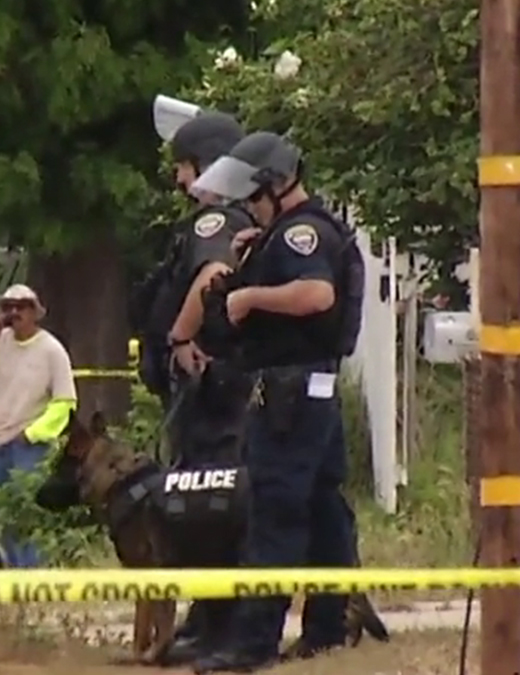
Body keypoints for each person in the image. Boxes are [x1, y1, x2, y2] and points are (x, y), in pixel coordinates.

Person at [186, 131, 365, 673]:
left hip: (288, 394)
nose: (248, 204)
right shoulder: (299, 231)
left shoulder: (301, 234)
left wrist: (248, 297)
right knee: (323, 511)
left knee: (275, 512)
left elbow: (317, 296)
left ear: (277, 184)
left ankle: (254, 643)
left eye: (253, 193)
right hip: (313, 390)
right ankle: (326, 630)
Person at [134, 102, 257, 665]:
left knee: (210, 509)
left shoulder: (217, 222)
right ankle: (208, 617)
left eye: (185, 165)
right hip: (209, 396)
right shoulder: (229, 220)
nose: (180, 178)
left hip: (211, 395)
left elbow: (214, 273)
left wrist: (181, 338)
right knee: (201, 508)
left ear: (207, 164)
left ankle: (220, 624)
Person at [0, 284, 76, 567]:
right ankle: (5, 576)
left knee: (26, 516)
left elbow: (65, 402)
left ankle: (30, 579)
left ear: (35, 312)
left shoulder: (51, 350)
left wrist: (32, 434)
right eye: (8, 307)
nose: (14, 312)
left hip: (29, 446)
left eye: (21, 306)